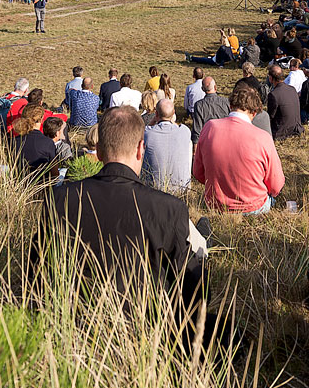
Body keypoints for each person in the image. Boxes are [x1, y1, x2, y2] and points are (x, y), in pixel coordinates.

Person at [41, 107, 207, 308]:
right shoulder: (169, 208)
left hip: (71, 323)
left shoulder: (60, 199)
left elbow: (40, 269)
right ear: (140, 149)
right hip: (145, 327)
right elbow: (189, 287)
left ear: (99, 151)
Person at [192, 83, 285, 214]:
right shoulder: (263, 137)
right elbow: (276, 186)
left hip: (215, 205)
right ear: (254, 113)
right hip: (253, 207)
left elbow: (198, 173)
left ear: (230, 106)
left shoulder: (209, 127)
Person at [143, 98, 192, 194]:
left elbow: (144, 130)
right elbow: (177, 126)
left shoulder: (147, 133)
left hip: (153, 189)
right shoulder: (185, 131)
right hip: (180, 190)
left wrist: (154, 120)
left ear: (156, 114)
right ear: (173, 113)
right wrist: (170, 118)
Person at [265, 63, 302, 139]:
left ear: (271, 78)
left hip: (281, 132)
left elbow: (270, 116)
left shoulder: (273, 95)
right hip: (296, 128)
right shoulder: (292, 89)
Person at [189, 77, 229, 141]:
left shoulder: (199, 105)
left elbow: (197, 130)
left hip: (208, 141)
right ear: (215, 87)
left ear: (202, 89)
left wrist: (195, 148)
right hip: (226, 138)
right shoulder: (226, 102)